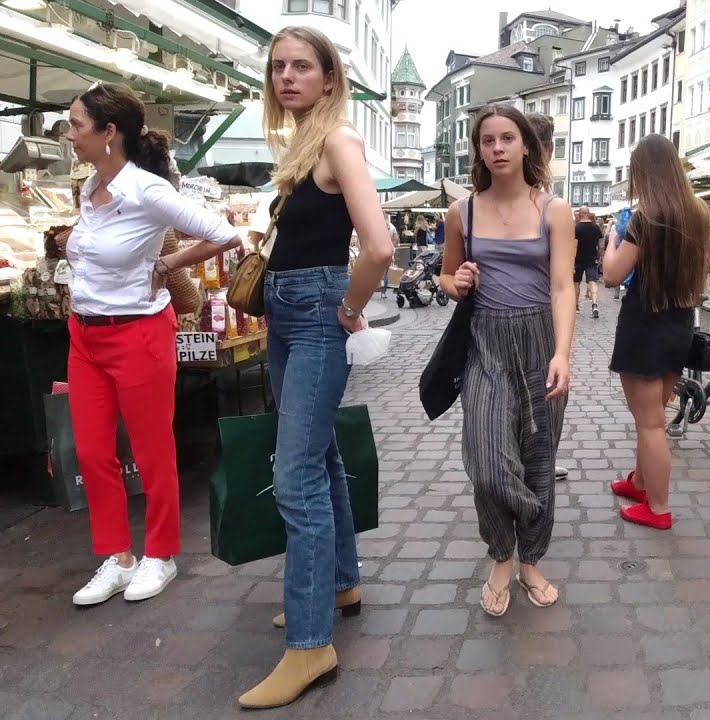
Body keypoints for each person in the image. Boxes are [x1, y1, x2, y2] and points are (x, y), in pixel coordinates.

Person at [238, 27, 393, 710]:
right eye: (278, 66)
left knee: (295, 475)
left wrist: (349, 309)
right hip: (288, 313)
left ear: (330, 78)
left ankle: (310, 646)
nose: (287, 77)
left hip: (315, 316)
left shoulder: (338, 141)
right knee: (321, 458)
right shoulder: (303, 143)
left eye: (302, 66)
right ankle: (339, 584)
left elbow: (379, 245)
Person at [64, 82, 243, 607]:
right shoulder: (90, 188)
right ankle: (118, 557)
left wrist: (167, 263)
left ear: (109, 132)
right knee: (93, 452)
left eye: (76, 125)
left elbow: (224, 233)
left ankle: (160, 554)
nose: (69, 135)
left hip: (138, 333)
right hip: (84, 334)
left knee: (152, 450)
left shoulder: (147, 190)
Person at [441, 104, 575, 617]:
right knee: (490, 466)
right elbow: (447, 277)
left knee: (539, 458)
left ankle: (528, 562)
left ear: (525, 146)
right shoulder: (463, 212)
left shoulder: (553, 210)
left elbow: (563, 287)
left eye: (507, 138)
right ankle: (503, 549)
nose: (497, 148)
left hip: (540, 341)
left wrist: (562, 353)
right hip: (486, 346)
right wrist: (458, 282)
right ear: (478, 150)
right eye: (487, 140)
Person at [603, 135, 708, 530]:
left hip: (644, 325)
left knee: (650, 423)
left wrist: (611, 242)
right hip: (679, 324)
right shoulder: (698, 212)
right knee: (652, 416)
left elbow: (612, 275)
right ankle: (640, 483)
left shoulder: (646, 218)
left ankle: (658, 508)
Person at [526, 111, 571, 483]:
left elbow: (563, 285)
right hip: (540, 316)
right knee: (546, 397)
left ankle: (537, 463)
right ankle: (539, 461)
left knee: (546, 395)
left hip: (540, 316)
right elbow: (562, 283)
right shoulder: (552, 206)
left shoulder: (555, 208)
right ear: (550, 151)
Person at [575, 206, 605, 317]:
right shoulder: (596, 228)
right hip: (592, 258)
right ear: (588, 213)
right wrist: (600, 256)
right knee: (592, 282)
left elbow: (574, 246)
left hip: (578, 259)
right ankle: (594, 305)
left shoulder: (576, 228)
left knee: (576, 283)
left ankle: (576, 306)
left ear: (580, 214)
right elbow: (601, 245)